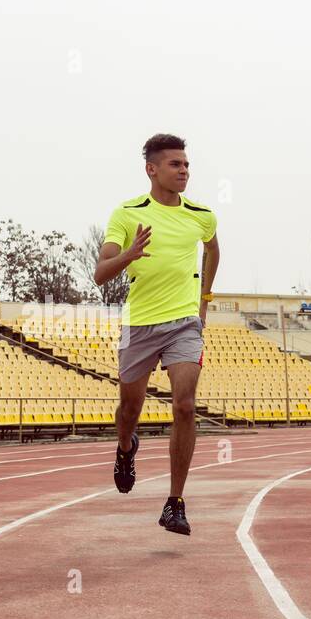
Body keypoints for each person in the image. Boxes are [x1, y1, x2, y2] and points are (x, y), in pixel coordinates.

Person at [95, 133, 220, 536]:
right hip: (139, 325)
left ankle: (175, 502)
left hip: (184, 322)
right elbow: (100, 273)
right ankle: (126, 447)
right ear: (152, 169)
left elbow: (213, 250)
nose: (184, 171)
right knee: (129, 410)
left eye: (186, 164)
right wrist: (129, 255)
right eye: (175, 164)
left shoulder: (201, 215)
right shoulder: (127, 213)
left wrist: (204, 299)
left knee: (185, 404)